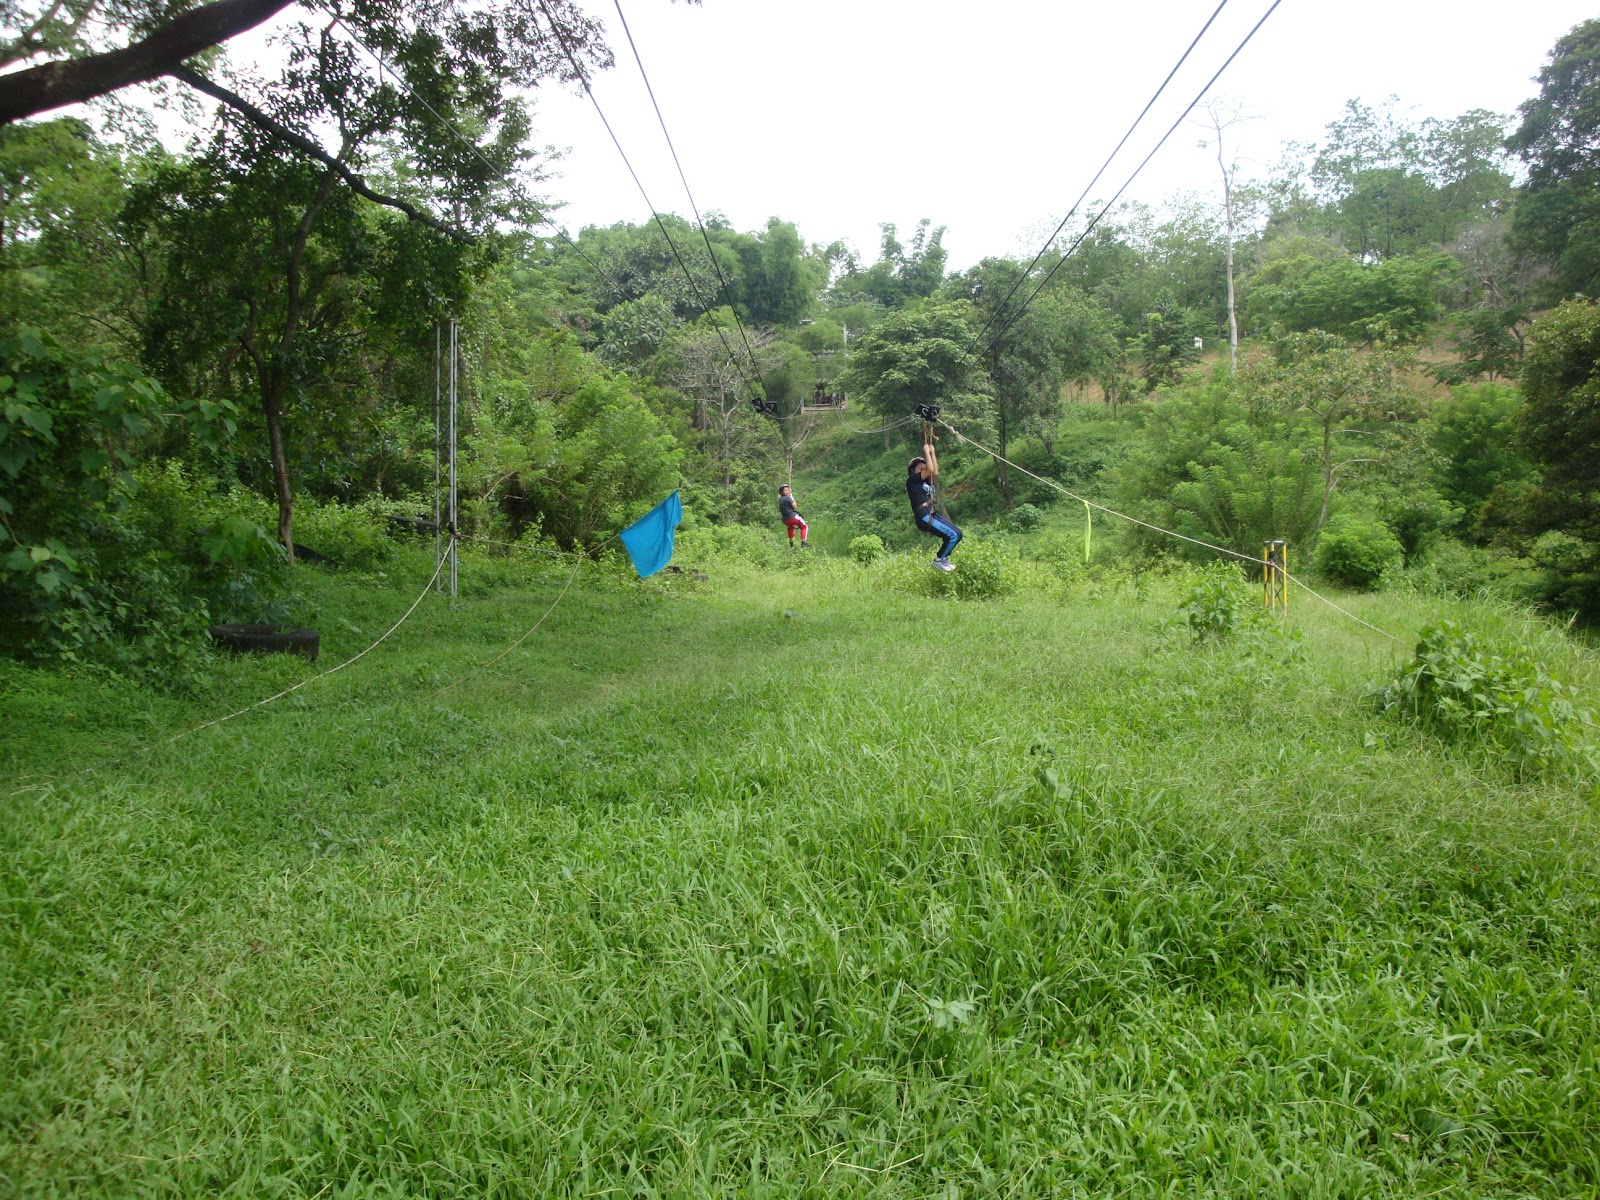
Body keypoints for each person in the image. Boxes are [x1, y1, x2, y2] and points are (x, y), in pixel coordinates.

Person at [907, 440, 961, 571]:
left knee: (958, 534)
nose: (924, 471)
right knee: (952, 535)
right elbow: (931, 470)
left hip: (931, 514)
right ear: (913, 470)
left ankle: (943, 558)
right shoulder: (912, 480)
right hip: (924, 517)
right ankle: (939, 560)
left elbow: (934, 472)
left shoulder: (925, 482)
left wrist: (933, 453)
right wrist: (926, 451)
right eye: (921, 468)